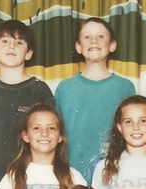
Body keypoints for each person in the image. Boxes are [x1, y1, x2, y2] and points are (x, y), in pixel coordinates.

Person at [0, 19, 56, 186]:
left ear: (29, 53)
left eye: (19, 42)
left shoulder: (40, 90)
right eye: (5, 41)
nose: (11, 46)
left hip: (29, 179)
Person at [55, 17, 138, 178]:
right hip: (72, 176)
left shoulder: (125, 87)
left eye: (101, 36)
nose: (94, 40)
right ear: (78, 47)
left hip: (115, 175)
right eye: (87, 37)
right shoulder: (65, 88)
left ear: (112, 45)